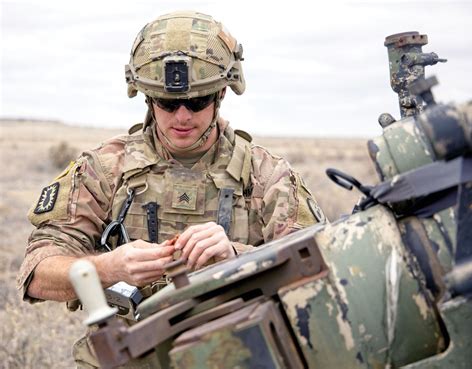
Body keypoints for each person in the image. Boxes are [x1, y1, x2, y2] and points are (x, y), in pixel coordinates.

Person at [17, 10, 326, 368]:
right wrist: (107, 268)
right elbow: (37, 272)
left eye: (197, 102)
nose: (182, 117)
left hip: (240, 353)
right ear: (147, 98)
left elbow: (320, 271)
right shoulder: (105, 169)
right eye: (166, 102)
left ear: (221, 94)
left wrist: (234, 258)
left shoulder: (267, 176)